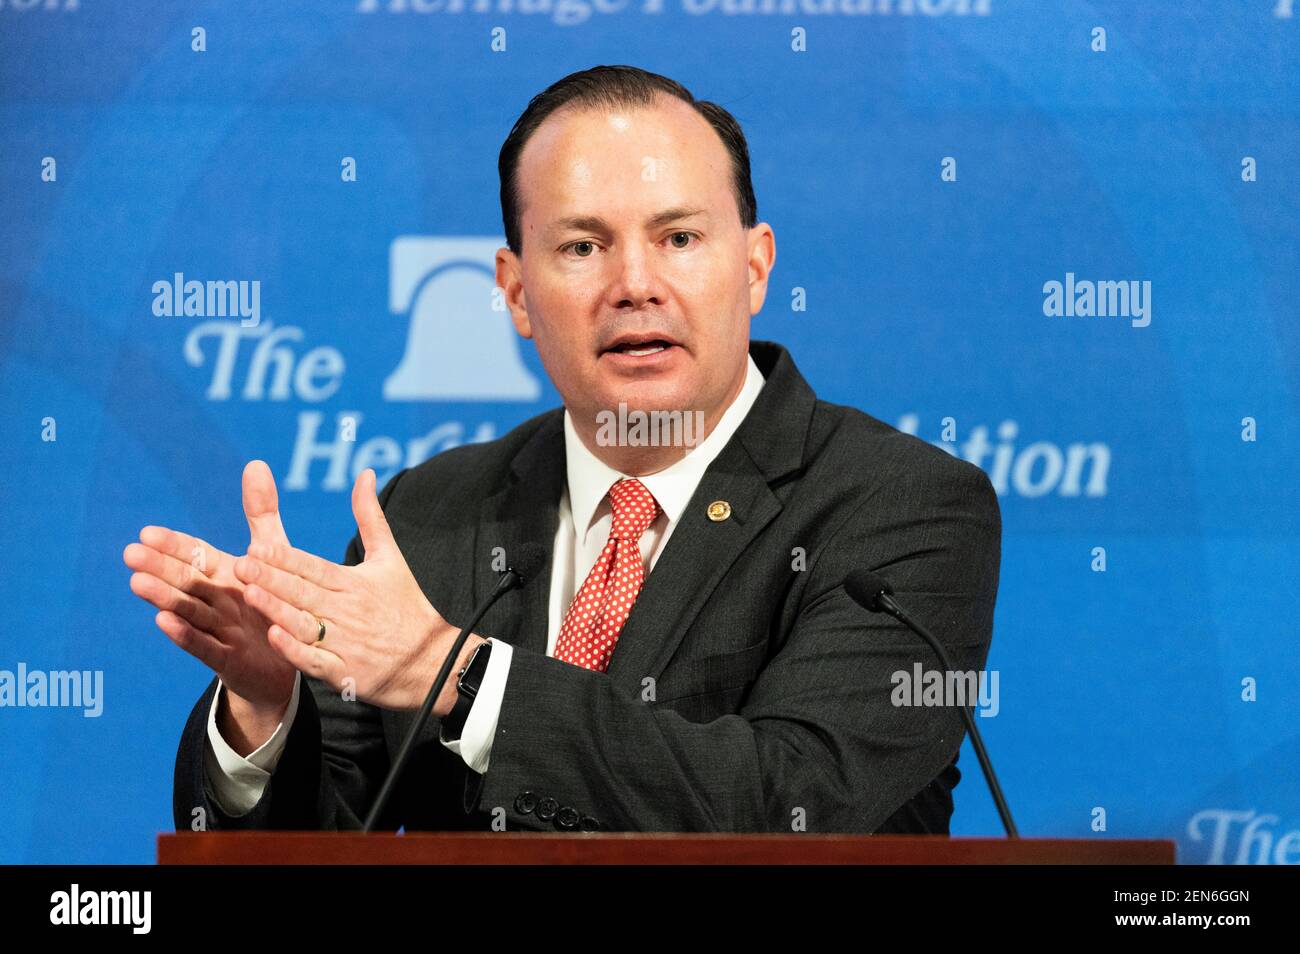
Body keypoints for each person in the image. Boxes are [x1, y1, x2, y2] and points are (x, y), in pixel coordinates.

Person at [123, 65, 1001, 833]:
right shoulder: (430, 514)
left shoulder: (904, 508)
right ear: (513, 291)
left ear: (756, 267)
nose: (635, 286)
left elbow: (792, 801)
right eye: (582, 247)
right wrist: (266, 704)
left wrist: (454, 674)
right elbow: (311, 848)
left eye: (680, 238)